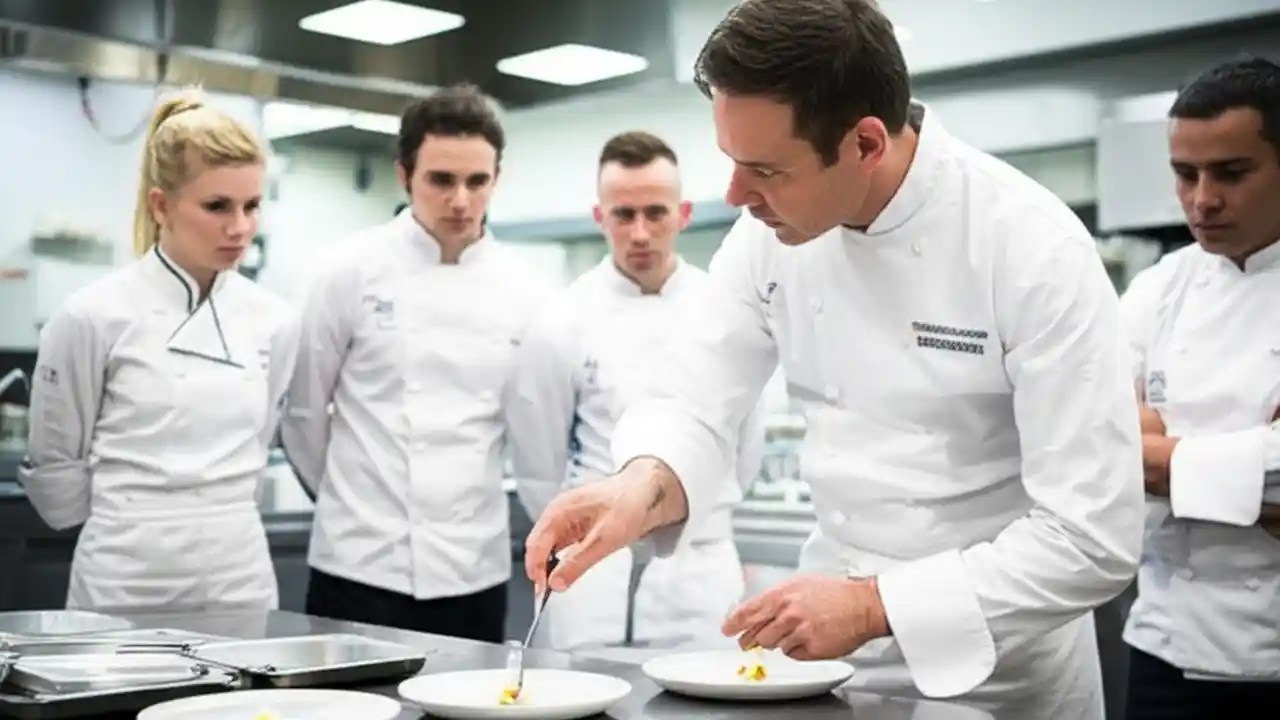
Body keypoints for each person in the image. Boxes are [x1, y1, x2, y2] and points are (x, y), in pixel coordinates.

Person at [523, 1, 1144, 717]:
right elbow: (695, 395)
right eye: (730, 162)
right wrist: (637, 486)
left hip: (1001, 683)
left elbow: (1092, 536)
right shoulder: (769, 234)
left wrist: (876, 605)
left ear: (866, 144)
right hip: (823, 673)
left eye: (764, 169)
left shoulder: (1031, 248)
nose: (734, 195)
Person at [281, 84, 551, 643]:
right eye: (441, 180)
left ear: (496, 178)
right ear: (405, 175)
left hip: (473, 569)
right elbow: (303, 415)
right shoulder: (347, 271)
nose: (461, 200)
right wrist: (350, 503)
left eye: (477, 181)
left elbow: (528, 427)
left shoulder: (525, 289)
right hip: (357, 565)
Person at [19, 89, 300, 612]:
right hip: (124, 579)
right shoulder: (91, 315)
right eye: (217, 206)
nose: (240, 227)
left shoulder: (275, 321)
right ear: (161, 205)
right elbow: (58, 471)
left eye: (251, 205)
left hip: (238, 577)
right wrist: (136, 524)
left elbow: (258, 440)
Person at [505, 131, 765, 651]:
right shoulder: (561, 320)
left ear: (684, 213)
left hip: (701, 560)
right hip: (589, 569)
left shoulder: (722, 307)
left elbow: (746, 445)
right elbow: (538, 464)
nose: (640, 232)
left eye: (656, 212)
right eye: (624, 215)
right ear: (600, 217)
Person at [1118, 57, 1280, 719]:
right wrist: (1248, 473)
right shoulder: (1161, 287)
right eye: (1185, 174)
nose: (1202, 199)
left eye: (1232, 173)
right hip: (1161, 643)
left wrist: (1158, 456)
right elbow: (1085, 436)